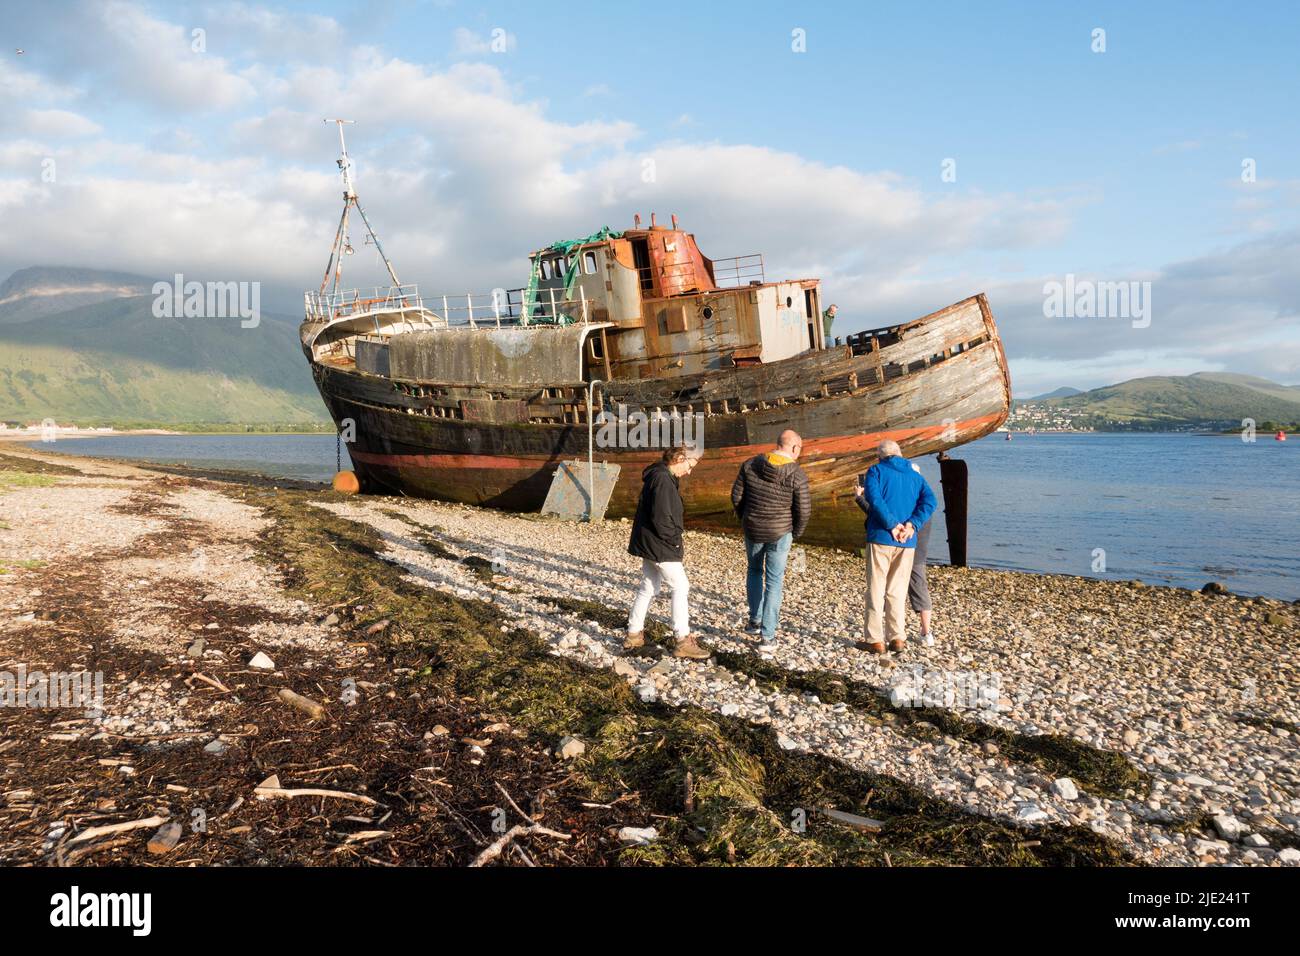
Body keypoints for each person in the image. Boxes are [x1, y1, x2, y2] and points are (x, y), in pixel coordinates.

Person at [625, 445, 709, 660]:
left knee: (649, 585)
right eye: (690, 465)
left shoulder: (659, 474)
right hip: (660, 544)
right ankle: (682, 640)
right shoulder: (662, 479)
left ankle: (634, 633)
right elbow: (661, 518)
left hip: (649, 542)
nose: (689, 471)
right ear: (680, 458)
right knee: (681, 586)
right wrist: (674, 543)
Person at [730, 429, 811, 652]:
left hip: (753, 528)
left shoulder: (750, 464)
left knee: (754, 570)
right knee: (774, 581)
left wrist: (745, 518)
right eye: (799, 449)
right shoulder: (797, 473)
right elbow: (803, 510)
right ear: (794, 448)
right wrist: (796, 532)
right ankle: (768, 636)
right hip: (780, 532)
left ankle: (754, 621)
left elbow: (736, 496)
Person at [852, 439, 936, 654]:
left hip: (881, 537)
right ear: (899, 454)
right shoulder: (916, 476)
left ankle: (875, 640)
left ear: (880, 455)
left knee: (876, 589)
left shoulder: (876, 471)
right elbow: (930, 502)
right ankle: (897, 638)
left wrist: (892, 525)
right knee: (897, 591)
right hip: (907, 541)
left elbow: (875, 500)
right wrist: (912, 524)